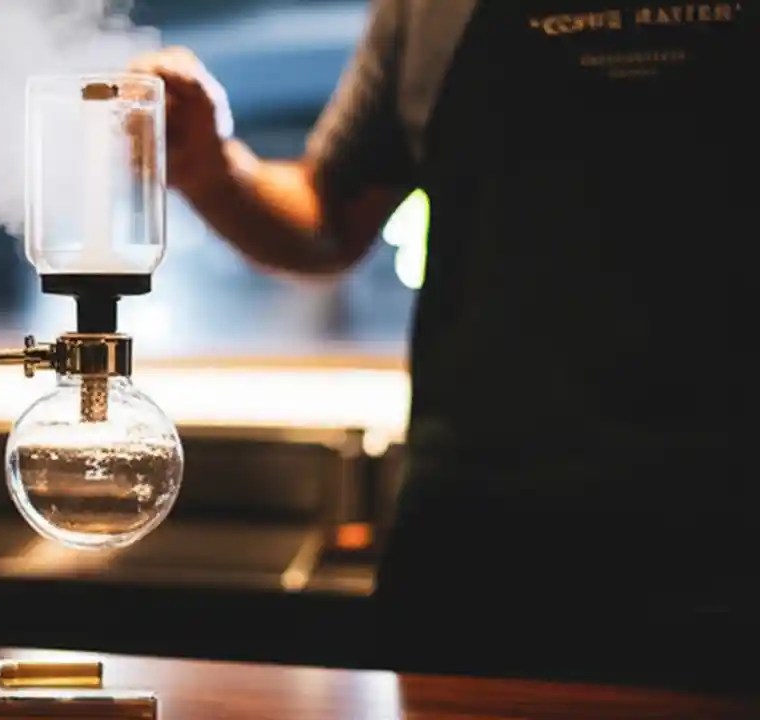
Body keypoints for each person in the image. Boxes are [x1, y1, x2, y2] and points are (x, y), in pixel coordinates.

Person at [131, 0, 753, 688]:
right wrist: (212, 169)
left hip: (731, 532)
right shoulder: (430, 9)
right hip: (482, 535)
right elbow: (328, 221)